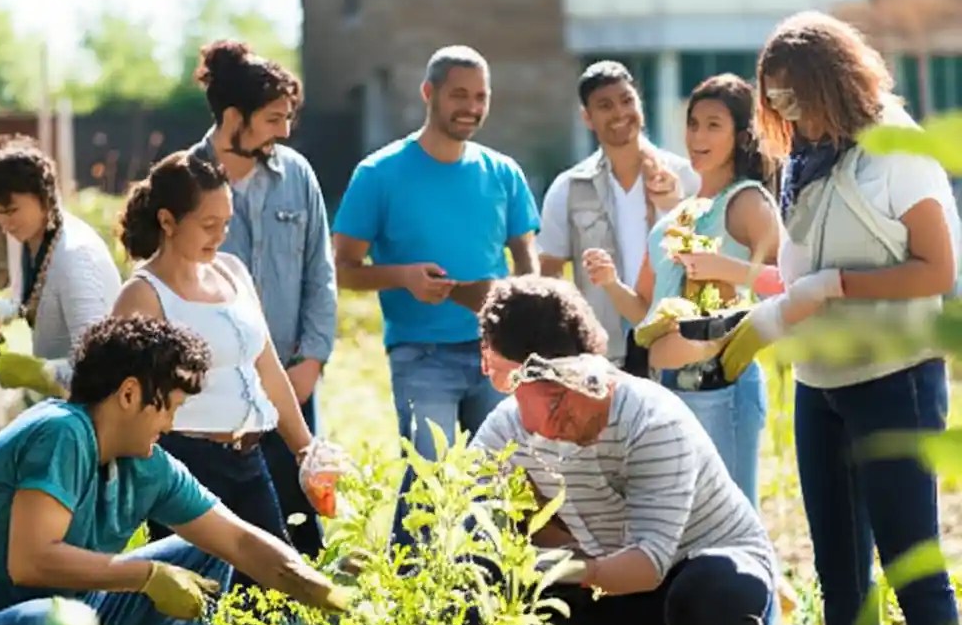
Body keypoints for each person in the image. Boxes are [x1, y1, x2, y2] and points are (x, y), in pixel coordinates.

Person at [0, 315, 351, 625]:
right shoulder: (62, 433)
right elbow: (30, 561)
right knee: (54, 621)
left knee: (203, 549)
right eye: (168, 407)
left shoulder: (146, 464)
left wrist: (325, 590)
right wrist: (146, 575)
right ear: (128, 395)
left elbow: (237, 542)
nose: (171, 423)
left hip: (61, 620)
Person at [752, 11, 962, 625]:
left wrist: (836, 285)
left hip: (893, 379)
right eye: (774, 96)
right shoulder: (801, 161)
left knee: (911, 563)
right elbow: (797, 268)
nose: (784, 110)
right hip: (820, 386)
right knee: (839, 573)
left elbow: (937, 269)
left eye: (794, 94)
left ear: (833, 81)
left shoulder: (895, 150)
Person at [469, 275, 778, 625]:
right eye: (544, 404)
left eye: (563, 401)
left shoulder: (652, 420)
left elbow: (648, 563)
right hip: (611, 578)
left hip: (690, 567)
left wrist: (561, 567)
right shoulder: (506, 429)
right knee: (497, 571)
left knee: (711, 592)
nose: (555, 425)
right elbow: (463, 500)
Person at [330, 45, 539, 549]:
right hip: (420, 355)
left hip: (495, 354)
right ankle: (410, 589)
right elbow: (341, 270)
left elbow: (527, 265)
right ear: (429, 94)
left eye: (480, 96)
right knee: (431, 474)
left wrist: (517, 315)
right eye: (459, 94)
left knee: (501, 478)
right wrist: (404, 277)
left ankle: (482, 590)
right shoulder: (378, 174)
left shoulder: (503, 173)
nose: (470, 106)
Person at [110, 151, 338, 589]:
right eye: (208, 225)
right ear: (168, 221)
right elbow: (118, 401)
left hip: (251, 459)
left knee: (274, 593)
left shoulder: (232, 272)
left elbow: (268, 369)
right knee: (204, 600)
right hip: (186, 467)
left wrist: (306, 451)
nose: (221, 235)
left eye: (226, 222)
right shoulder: (142, 297)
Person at [578, 74, 779, 507]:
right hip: (663, 386)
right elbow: (645, 313)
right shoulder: (678, 216)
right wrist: (610, 283)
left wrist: (723, 266)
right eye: (692, 124)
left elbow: (787, 284)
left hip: (719, 388)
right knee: (682, 521)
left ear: (741, 136)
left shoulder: (747, 202)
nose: (697, 136)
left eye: (713, 125)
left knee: (731, 517)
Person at [187, 39, 338, 559]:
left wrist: (312, 360)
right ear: (235, 118)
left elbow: (321, 271)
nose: (285, 131)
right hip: (215, 386)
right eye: (274, 119)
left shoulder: (297, 175)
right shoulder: (183, 182)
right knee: (225, 518)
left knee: (303, 505)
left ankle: (308, 617)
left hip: (293, 375)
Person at [537, 61, 701, 367]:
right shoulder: (569, 188)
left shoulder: (685, 176)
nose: (619, 113)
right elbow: (549, 273)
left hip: (675, 344)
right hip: (605, 353)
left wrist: (671, 203)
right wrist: (567, 341)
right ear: (587, 117)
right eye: (605, 105)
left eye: (627, 100)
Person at [0, 134, 123, 398]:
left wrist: (34, 373)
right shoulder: (29, 237)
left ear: (45, 197)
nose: (5, 225)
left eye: (11, 211)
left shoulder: (75, 257)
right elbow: (24, 295)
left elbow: (100, 368)